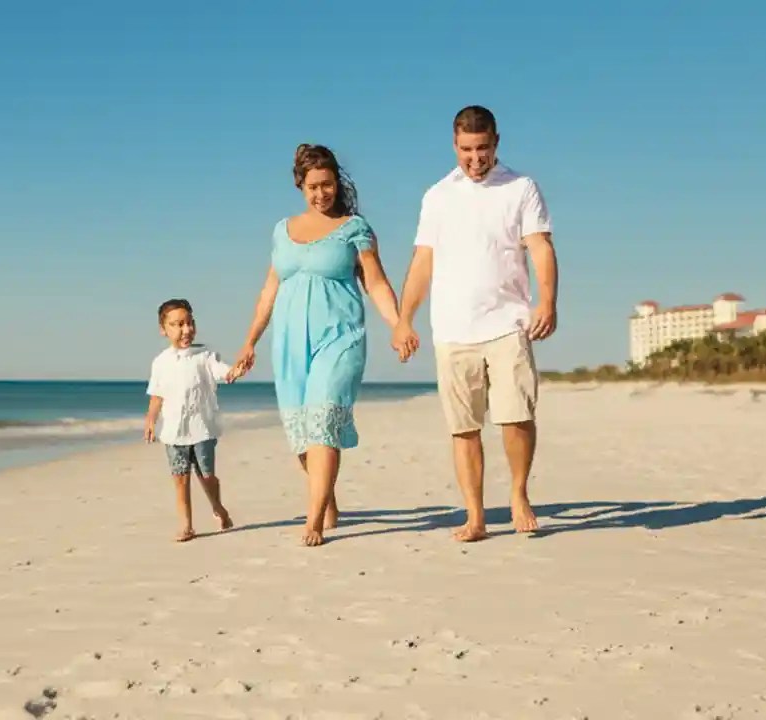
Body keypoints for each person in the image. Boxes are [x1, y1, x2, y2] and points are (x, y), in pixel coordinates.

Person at [392, 105, 559, 542]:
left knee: (516, 417)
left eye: (482, 148)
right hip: (451, 329)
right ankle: (475, 515)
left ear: (496, 142)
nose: (475, 158)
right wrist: (403, 319)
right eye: (466, 149)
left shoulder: (521, 188)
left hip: (507, 322)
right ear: (454, 145)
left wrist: (548, 302)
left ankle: (519, 494)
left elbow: (539, 247)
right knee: (463, 426)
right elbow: (422, 261)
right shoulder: (437, 196)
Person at [232, 144, 404, 547]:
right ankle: (325, 499)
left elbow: (375, 282)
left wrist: (398, 325)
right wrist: (250, 341)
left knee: (324, 418)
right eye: (313, 186)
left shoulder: (354, 227)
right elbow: (269, 289)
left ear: (336, 183)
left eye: (327, 185)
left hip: (340, 337)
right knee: (301, 430)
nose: (321, 194)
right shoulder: (282, 230)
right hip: (290, 343)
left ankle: (313, 521)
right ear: (299, 185)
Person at [144, 298, 237, 542]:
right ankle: (186, 524)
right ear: (164, 329)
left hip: (202, 428)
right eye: (177, 325)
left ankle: (218, 508)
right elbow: (157, 396)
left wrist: (235, 370)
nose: (186, 330)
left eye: (189, 323)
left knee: (206, 475)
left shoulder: (205, 355)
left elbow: (223, 372)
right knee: (180, 477)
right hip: (174, 432)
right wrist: (150, 421)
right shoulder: (161, 362)